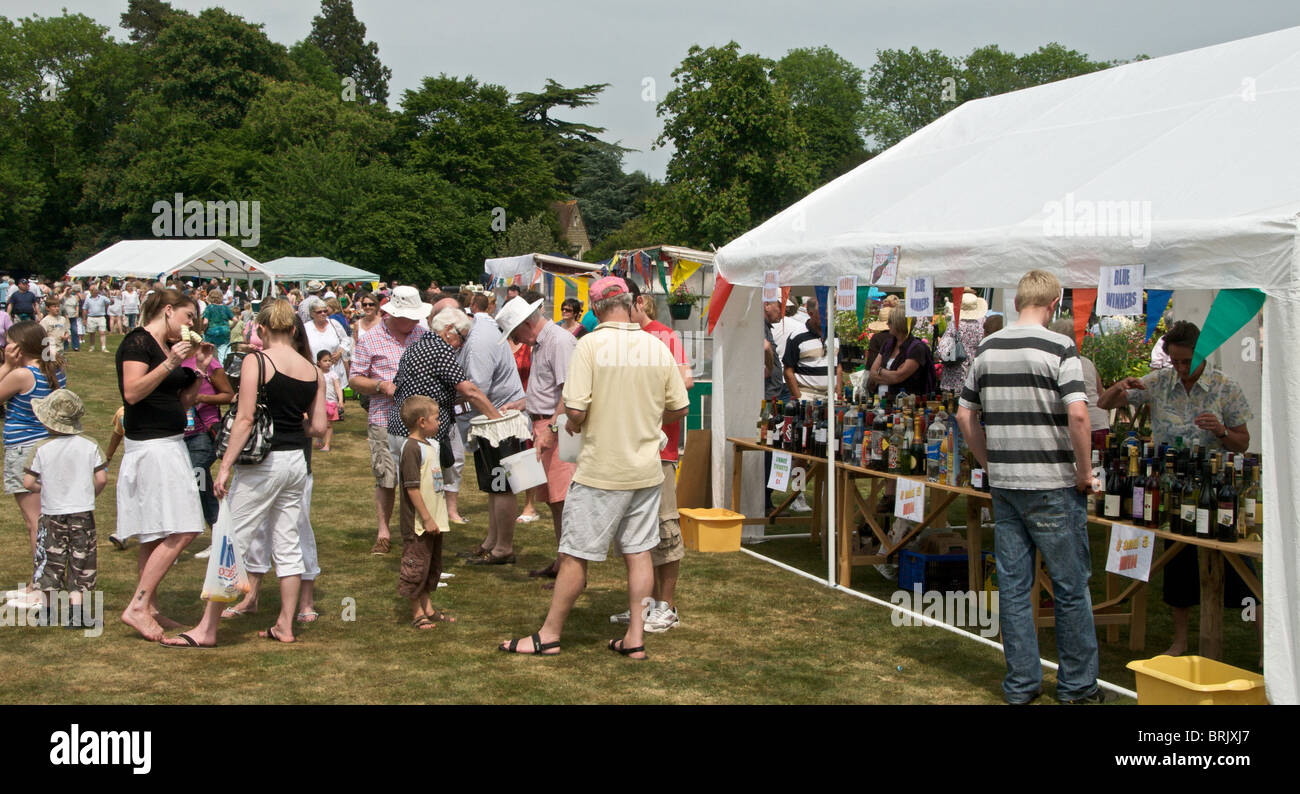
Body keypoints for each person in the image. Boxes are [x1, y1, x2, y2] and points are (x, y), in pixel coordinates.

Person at [498, 277, 689, 658]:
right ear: (631, 302)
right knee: (638, 553)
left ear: (596, 308)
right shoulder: (655, 346)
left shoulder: (589, 346)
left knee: (574, 554)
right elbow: (681, 406)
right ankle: (636, 636)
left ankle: (549, 634)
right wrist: (647, 418)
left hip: (602, 469)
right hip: (646, 470)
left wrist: (574, 422)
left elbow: (577, 409)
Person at [955, 269, 1105, 705]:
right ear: (1055, 304)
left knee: (1015, 589)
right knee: (1071, 589)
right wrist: (1084, 472)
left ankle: (1022, 684)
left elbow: (965, 417)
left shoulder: (985, 347)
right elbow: (1079, 415)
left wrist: (991, 462)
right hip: (1054, 484)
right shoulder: (1060, 346)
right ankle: (1077, 687)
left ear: (1018, 302)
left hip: (1007, 485)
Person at [160, 298, 326, 647]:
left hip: (264, 465)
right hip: (297, 461)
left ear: (261, 330)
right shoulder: (314, 371)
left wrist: (224, 465)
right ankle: (285, 624)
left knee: (231, 541)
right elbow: (319, 426)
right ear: (295, 330)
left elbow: (246, 418)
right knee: (288, 543)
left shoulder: (257, 361)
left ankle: (207, 629)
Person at [1097, 320, 1253, 657]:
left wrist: (1223, 431)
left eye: (1187, 361)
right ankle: (1180, 640)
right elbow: (1104, 404)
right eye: (1176, 361)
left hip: (1213, 488)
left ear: (1201, 353)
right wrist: (1119, 386)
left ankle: (1261, 639)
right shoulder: (1159, 382)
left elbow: (1243, 442)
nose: (1182, 369)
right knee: (1177, 564)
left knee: (1237, 564)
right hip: (1171, 486)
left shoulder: (1225, 387)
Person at [115, 289, 205, 641]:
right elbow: (132, 393)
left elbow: (181, 405)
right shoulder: (138, 343)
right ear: (168, 311)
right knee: (185, 528)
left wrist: (194, 371)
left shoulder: (168, 349)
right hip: (152, 448)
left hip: (169, 442)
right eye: (187, 317)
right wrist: (171, 364)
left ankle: (149, 606)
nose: (191, 325)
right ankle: (137, 605)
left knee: (153, 533)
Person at [616, 279, 691, 632]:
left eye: (623, 305)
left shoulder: (664, 336)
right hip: (627, 447)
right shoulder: (620, 339)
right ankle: (642, 606)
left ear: (640, 303)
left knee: (664, 527)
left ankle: (667, 607)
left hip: (660, 448)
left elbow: (685, 382)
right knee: (635, 531)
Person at [497, 294, 578, 583]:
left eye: (515, 332)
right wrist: (521, 406)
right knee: (556, 501)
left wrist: (551, 430)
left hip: (558, 429)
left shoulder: (558, 341)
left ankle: (570, 570)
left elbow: (571, 392)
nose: (516, 340)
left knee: (565, 501)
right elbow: (547, 391)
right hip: (546, 426)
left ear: (526, 324)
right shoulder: (544, 342)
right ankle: (562, 563)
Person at [349, 286, 429, 554]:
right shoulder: (370, 339)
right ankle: (384, 531)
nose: (416, 322)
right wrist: (382, 386)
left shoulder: (422, 334)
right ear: (393, 314)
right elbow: (355, 378)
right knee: (386, 477)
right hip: (384, 418)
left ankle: (418, 528)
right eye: (411, 317)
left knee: (419, 477)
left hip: (418, 422)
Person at [450, 292, 526, 564]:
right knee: (494, 485)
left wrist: (451, 404)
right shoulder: (478, 332)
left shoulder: (479, 340)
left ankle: (503, 548)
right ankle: (492, 541)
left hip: (501, 422)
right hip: (493, 422)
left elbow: (475, 390)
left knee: (503, 485)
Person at [22, 389, 107, 626]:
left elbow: (28, 482)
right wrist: (90, 495)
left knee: (51, 559)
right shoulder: (90, 445)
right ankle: (77, 613)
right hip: (82, 512)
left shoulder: (41, 448)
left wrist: (47, 487)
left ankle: (47, 613)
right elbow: (101, 479)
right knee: (82, 559)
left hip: (52, 513)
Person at [1, 322, 68, 608]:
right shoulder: (54, 371)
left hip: (24, 451)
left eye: (9, 342)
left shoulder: (21, 374)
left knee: (35, 523)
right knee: (44, 520)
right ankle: (37, 584)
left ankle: (42, 589)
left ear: (20, 347)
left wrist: (6, 364)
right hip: (47, 450)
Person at [396, 395, 455, 629]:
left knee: (431, 566)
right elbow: (412, 488)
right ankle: (417, 612)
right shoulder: (411, 448)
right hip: (420, 523)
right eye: (436, 418)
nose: (439, 422)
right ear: (422, 421)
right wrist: (427, 518)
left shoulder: (430, 445)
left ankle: (428, 607)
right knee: (416, 568)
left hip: (434, 521)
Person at [181, 338, 234, 557]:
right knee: (192, 482)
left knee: (198, 477)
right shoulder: (169, 359)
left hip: (203, 432)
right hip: (177, 432)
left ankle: (219, 534)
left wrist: (201, 397)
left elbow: (228, 395)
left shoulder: (208, 362)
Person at [1048, 319, 1108, 450]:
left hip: (1077, 424)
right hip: (1099, 421)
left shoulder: (1056, 363)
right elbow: (1100, 392)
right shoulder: (1087, 362)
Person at [868, 305, 934, 400]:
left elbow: (898, 377)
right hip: (882, 401)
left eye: (890, 322)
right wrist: (888, 375)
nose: (887, 324)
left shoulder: (917, 348)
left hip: (905, 404)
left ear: (899, 324)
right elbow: (872, 373)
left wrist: (880, 371)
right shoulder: (888, 344)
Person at [783, 297, 834, 401]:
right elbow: (788, 370)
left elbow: (839, 367)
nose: (827, 317)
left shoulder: (834, 335)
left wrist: (837, 393)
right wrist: (799, 398)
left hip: (831, 397)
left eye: (829, 313)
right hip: (807, 396)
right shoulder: (797, 336)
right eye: (823, 314)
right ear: (811, 314)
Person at [937, 291, 987, 393]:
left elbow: (942, 351)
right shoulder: (982, 326)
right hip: (973, 374)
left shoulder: (954, 325)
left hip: (954, 377)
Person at [303, 296, 350, 391]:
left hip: (335, 372)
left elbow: (346, 340)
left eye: (325, 311)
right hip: (315, 373)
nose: (323, 314)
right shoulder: (306, 328)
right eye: (319, 312)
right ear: (312, 313)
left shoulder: (334, 324)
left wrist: (340, 352)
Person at [317, 349, 342, 451]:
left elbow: (338, 387)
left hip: (331, 403)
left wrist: (340, 400)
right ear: (319, 362)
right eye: (325, 361)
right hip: (319, 402)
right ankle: (319, 439)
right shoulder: (317, 373)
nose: (328, 363)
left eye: (329, 361)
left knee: (329, 424)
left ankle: (327, 444)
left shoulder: (333, 374)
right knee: (319, 423)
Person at [201, 294, 236, 362]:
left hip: (210, 333)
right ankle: (223, 369)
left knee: (208, 353)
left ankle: (209, 368)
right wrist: (231, 327)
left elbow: (205, 322)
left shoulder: (209, 308)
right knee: (223, 354)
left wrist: (203, 330)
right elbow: (235, 320)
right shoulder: (225, 308)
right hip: (224, 332)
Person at [81, 283, 111, 353]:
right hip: (91, 317)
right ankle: (92, 347)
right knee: (92, 333)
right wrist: (84, 319)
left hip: (101, 317)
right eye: (91, 290)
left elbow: (110, 302)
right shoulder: (88, 299)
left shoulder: (102, 298)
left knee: (102, 332)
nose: (93, 291)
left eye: (94, 290)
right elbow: (84, 309)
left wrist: (111, 300)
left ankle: (103, 347)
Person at [59, 287, 81, 352]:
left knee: (74, 330)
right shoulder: (63, 297)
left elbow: (77, 305)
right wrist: (64, 291)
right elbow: (58, 299)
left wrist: (77, 312)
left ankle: (76, 346)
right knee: (65, 331)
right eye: (68, 289)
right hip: (65, 317)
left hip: (73, 316)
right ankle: (65, 347)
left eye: (70, 289)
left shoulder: (74, 297)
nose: (70, 290)